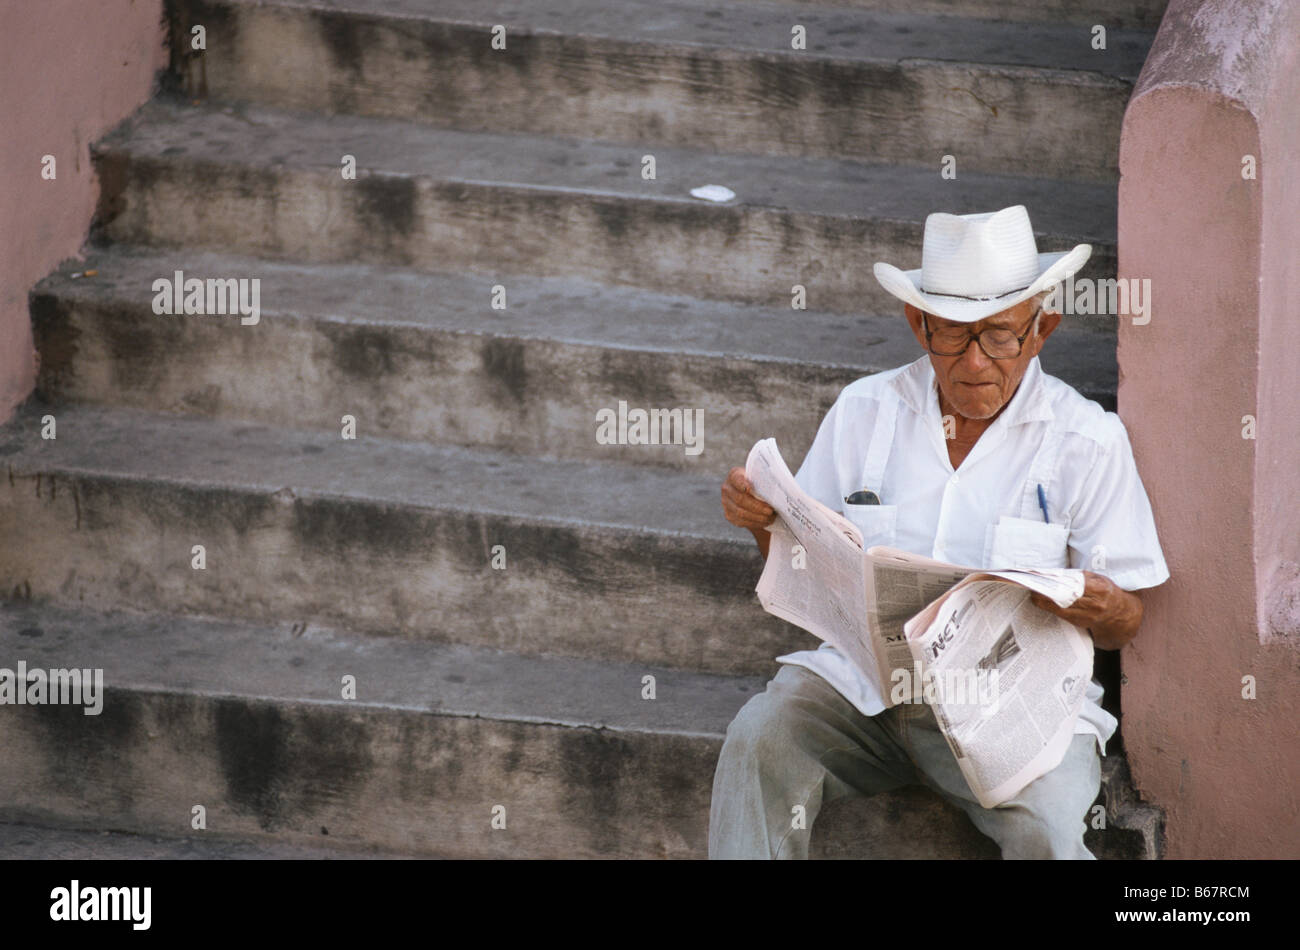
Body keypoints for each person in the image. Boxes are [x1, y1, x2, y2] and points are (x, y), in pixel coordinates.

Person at [709, 205, 1169, 859]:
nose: (974, 361)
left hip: (1010, 716)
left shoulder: (1087, 442)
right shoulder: (866, 412)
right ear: (917, 322)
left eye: (999, 336)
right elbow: (803, 565)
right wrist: (766, 524)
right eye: (951, 336)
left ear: (1042, 330)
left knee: (1050, 833)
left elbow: (1126, 621)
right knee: (761, 737)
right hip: (867, 696)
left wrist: (1101, 604)